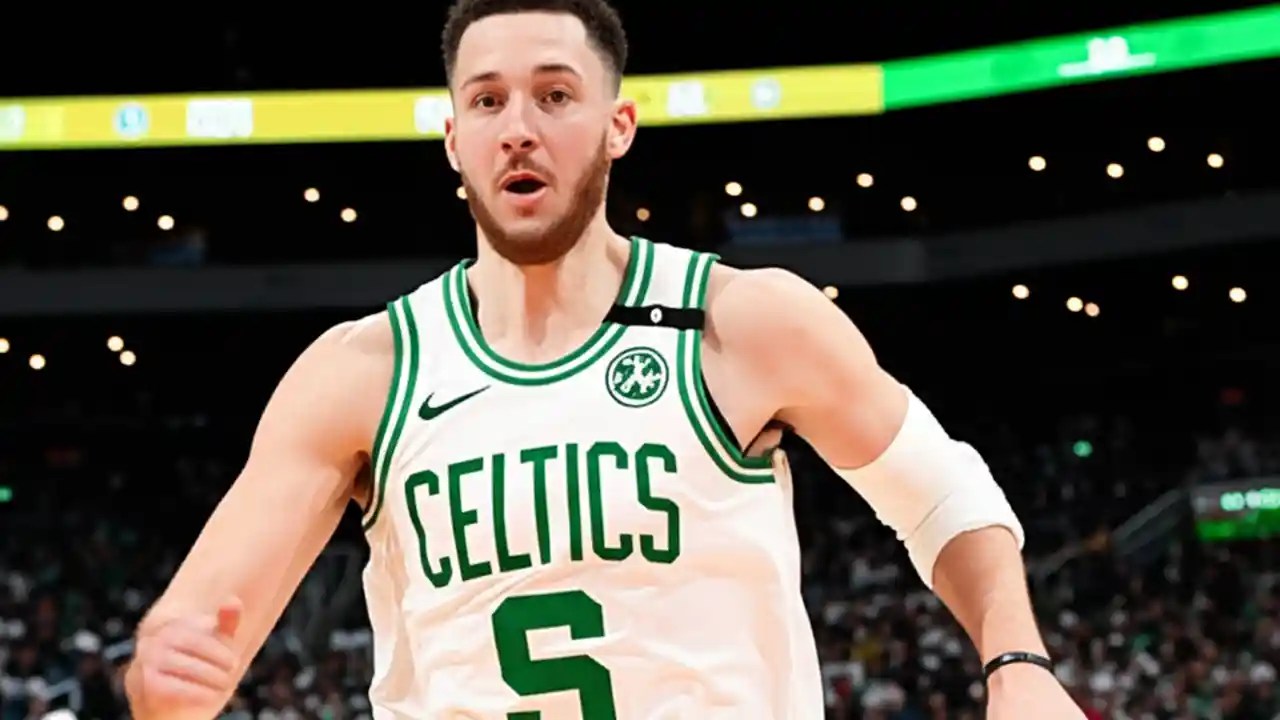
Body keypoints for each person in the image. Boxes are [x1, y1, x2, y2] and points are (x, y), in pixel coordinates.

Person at [122, 1, 1085, 718]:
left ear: (617, 126)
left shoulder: (743, 322)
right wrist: (160, 677)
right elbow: (197, 633)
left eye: (554, 95)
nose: (519, 126)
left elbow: (943, 496)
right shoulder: (363, 372)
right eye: (488, 101)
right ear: (454, 141)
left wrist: (1018, 667)